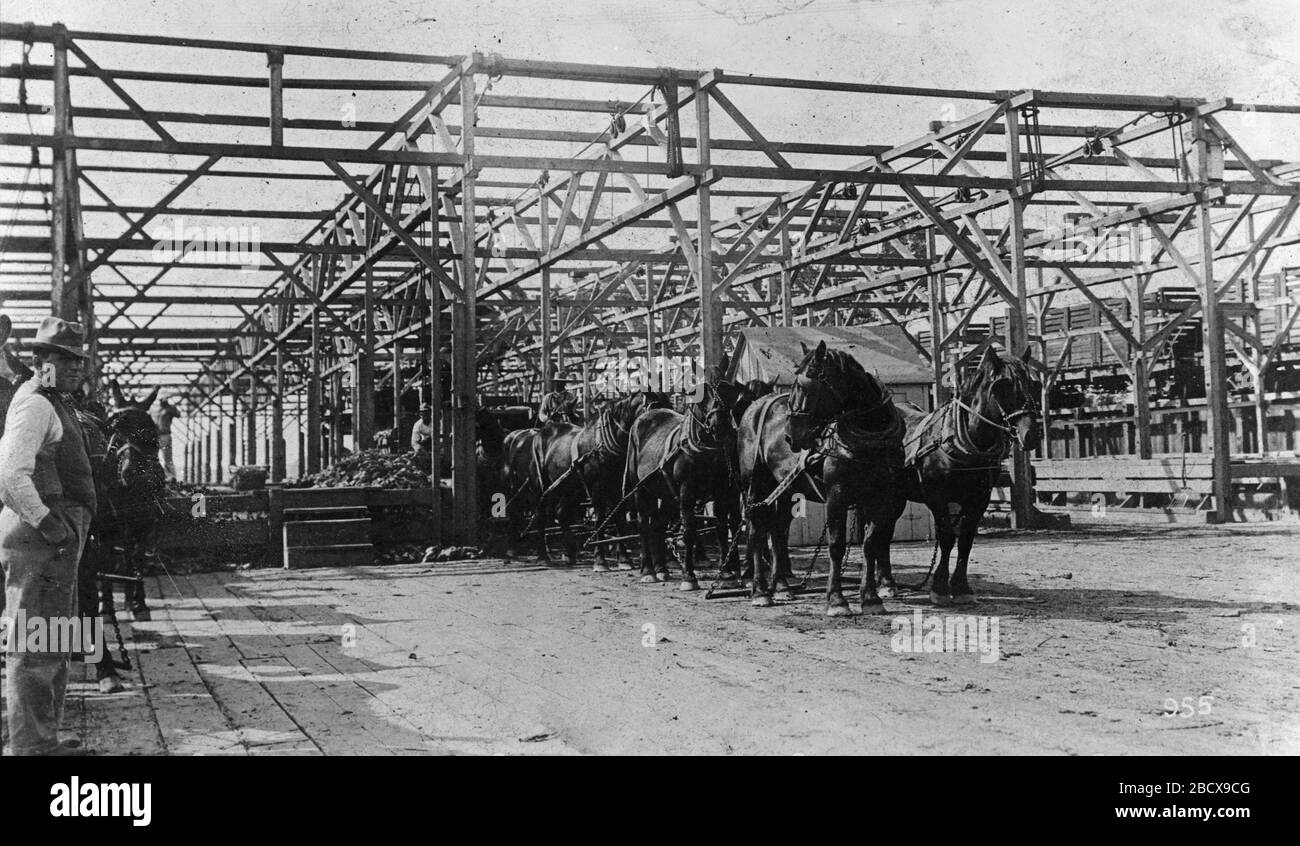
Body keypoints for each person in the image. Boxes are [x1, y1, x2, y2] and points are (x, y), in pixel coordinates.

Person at [0, 317, 97, 756]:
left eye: (79, 360)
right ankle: (31, 749)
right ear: (40, 361)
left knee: (53, 640)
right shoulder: (37, 404)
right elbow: (9, 475)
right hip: (42, 540)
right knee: (35, 645)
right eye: (64, 359)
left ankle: (44, 739)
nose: (77, 367)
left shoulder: (52, 400)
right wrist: (47, 521)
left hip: (54, 541)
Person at [151, 396, 179, 482]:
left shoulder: (168, 409)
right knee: (154, 457)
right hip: (156, 435)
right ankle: (159, 477)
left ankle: (171, 477)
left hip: (165, 435)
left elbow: (178, 414)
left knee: (167, 457)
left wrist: (170, 407)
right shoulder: (157, 410)